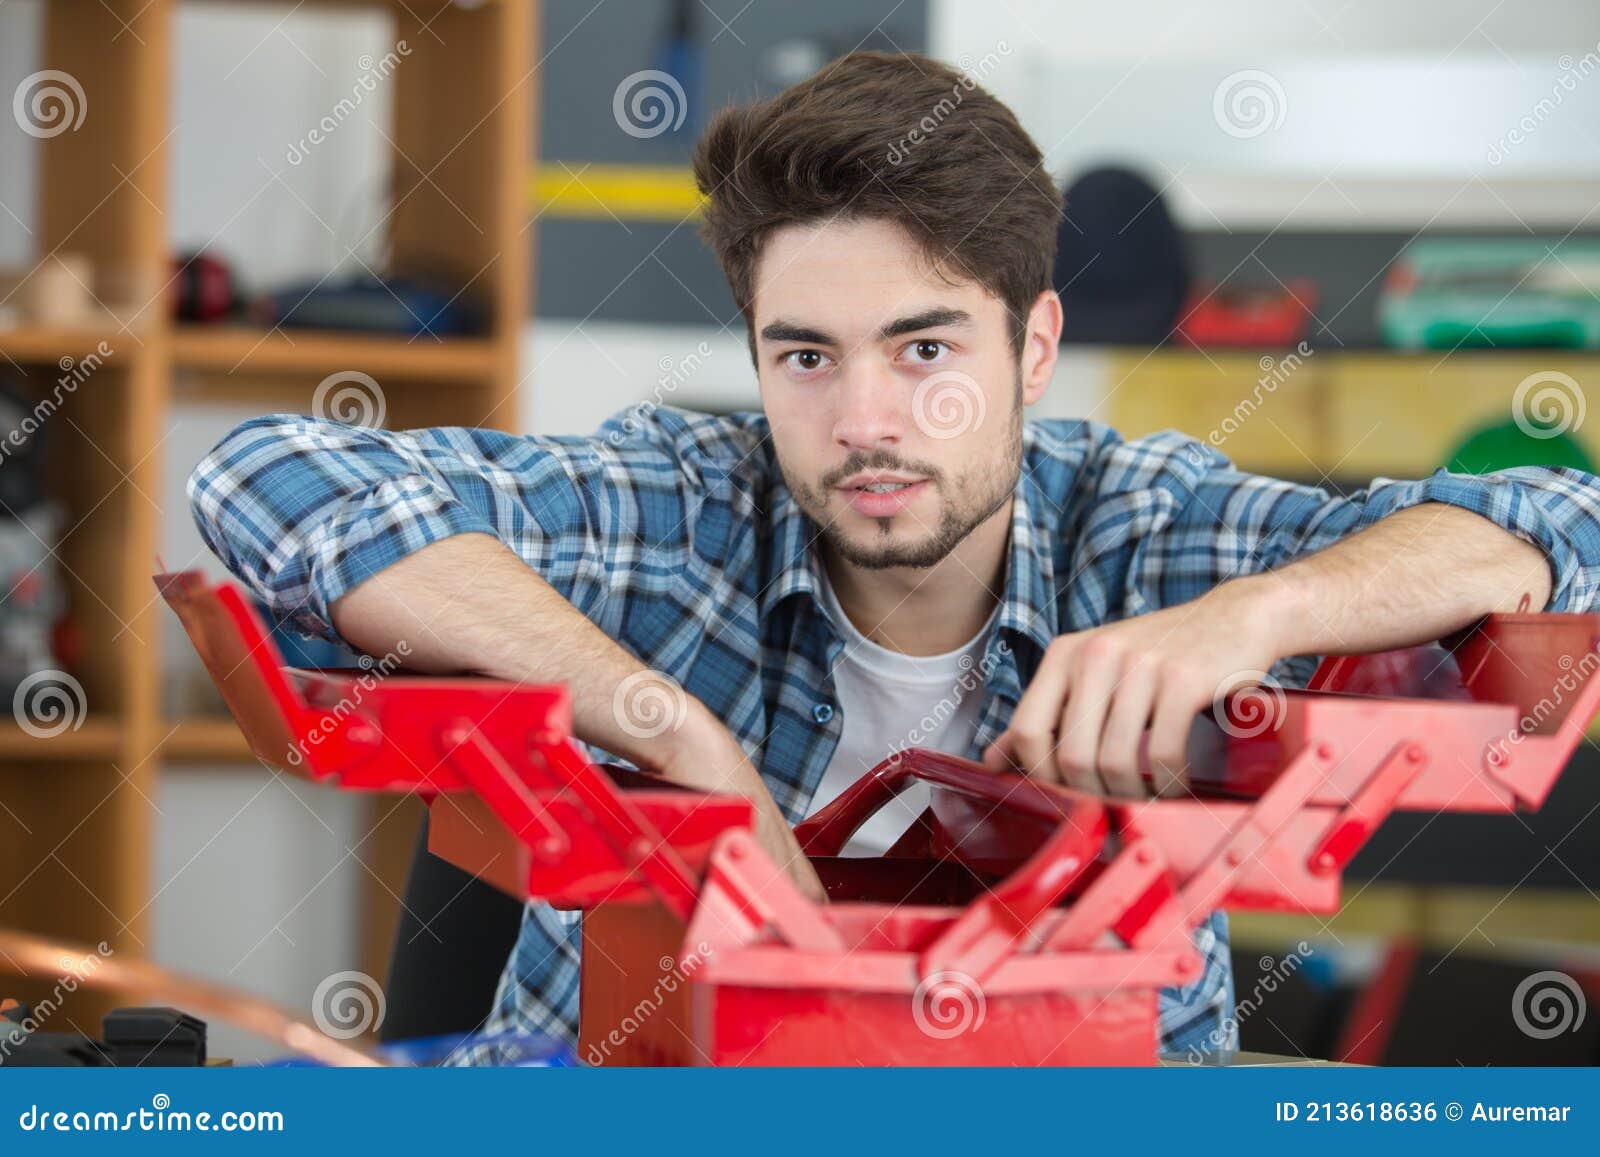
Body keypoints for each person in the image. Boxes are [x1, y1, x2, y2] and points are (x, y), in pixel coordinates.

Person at [188, 51, 1600, 1058]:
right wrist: (674, 734)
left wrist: (1254, 613)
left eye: (925, 349)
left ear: (1032, 347)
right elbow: (260, 474)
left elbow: (1566, 526)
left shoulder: (1145, 525)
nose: (865, 421)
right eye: (806, 354)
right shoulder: (681, 506)